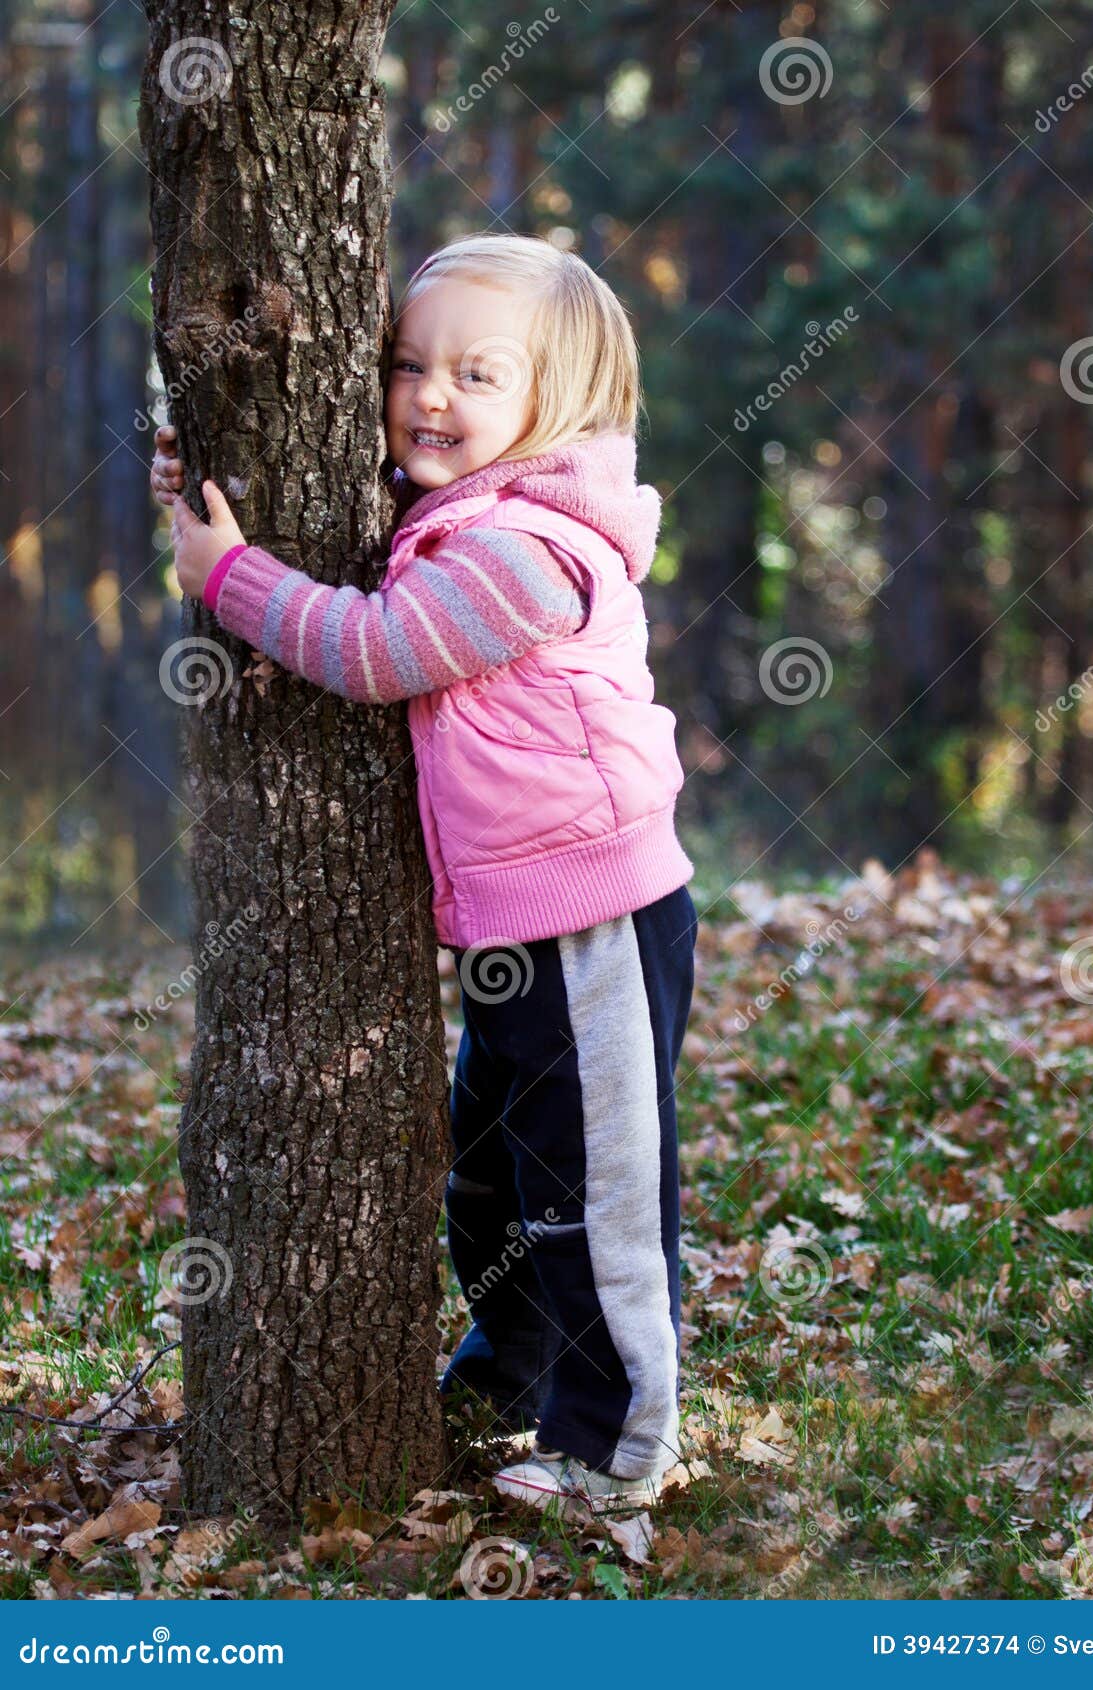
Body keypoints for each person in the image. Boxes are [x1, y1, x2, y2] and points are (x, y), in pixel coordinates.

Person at [150, 232, 699, 1515]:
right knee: (494, 1177)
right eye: (408, 366)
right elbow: (367, 548)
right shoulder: (459, 515)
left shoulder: (526, 551)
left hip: (597, 920)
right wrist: (208, 479)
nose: (429, 397)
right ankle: (514, 1378)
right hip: (518, 927)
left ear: (553, 407)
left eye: (475, 375)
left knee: (592, 1195)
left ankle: (617, 1451)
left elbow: (381, 644)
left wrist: (232, 577)